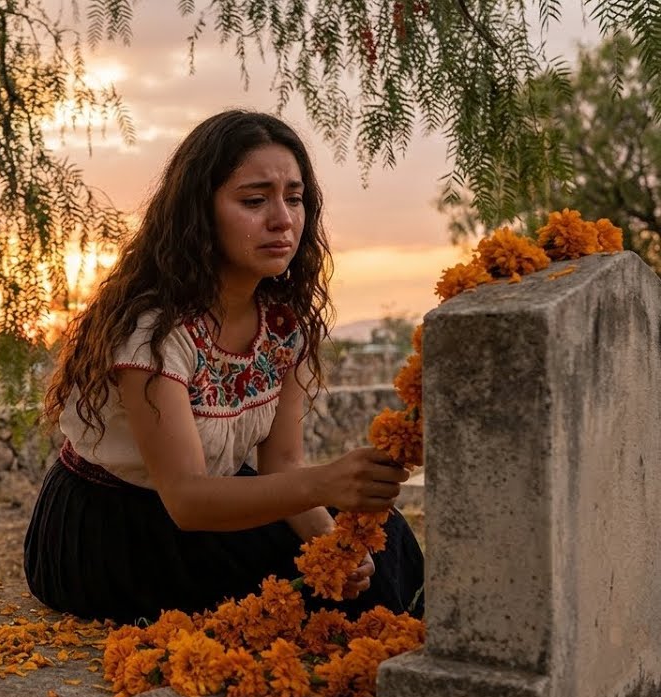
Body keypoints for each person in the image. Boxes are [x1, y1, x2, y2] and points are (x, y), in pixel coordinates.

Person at [23, 110, 424, 625]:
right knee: (300, 600)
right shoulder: (154, 333)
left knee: (379, 545)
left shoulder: (284, 326)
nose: (283, 219)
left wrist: (335, 548)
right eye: (254, 201)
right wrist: (326, 484)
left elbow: (282, 466)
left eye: (295, 198)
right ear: (199, 214)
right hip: (117, 532)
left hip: (220, 506)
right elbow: (187, 499)